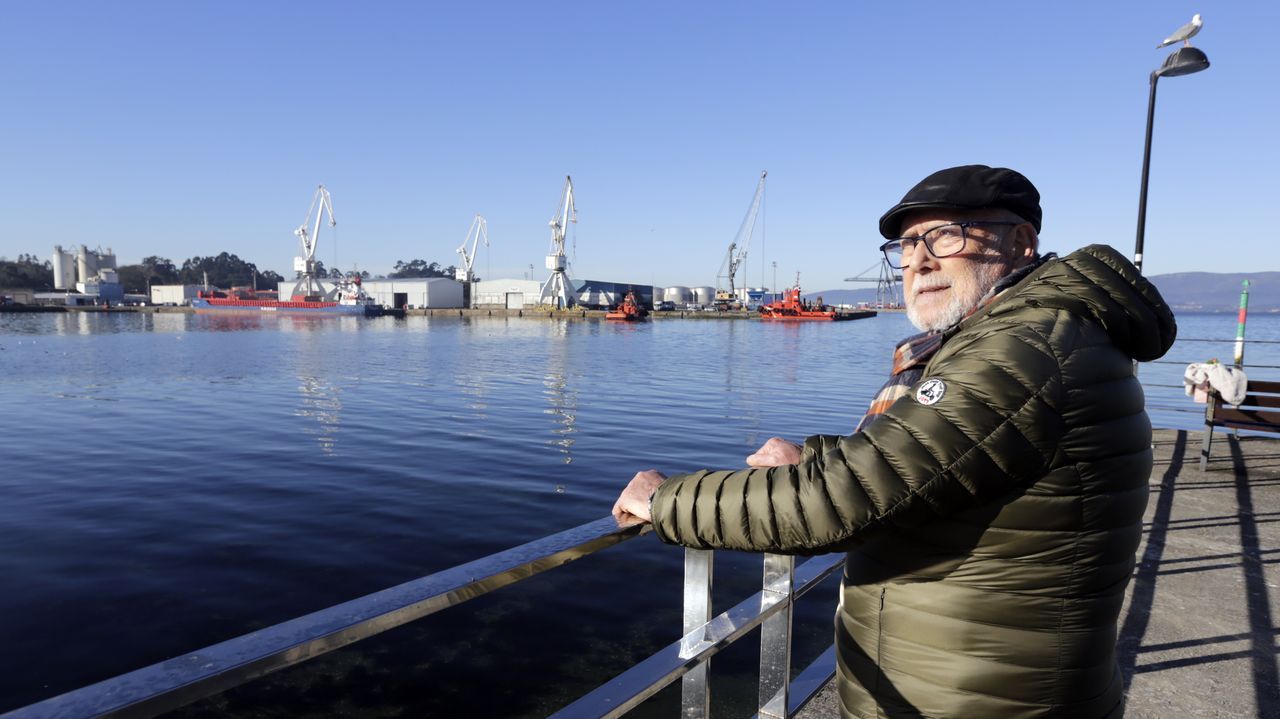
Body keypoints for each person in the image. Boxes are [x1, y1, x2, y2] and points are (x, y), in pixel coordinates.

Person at [613, 164, 1176, 718]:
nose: (919, 260)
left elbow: (836, 503)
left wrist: (666, 499)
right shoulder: (1037, 335)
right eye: (906, 246)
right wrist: (815, 458)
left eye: (946, 235)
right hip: (967, 681)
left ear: (1022, 242)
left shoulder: (1023, 351)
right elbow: (947, 460)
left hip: (973, 698)